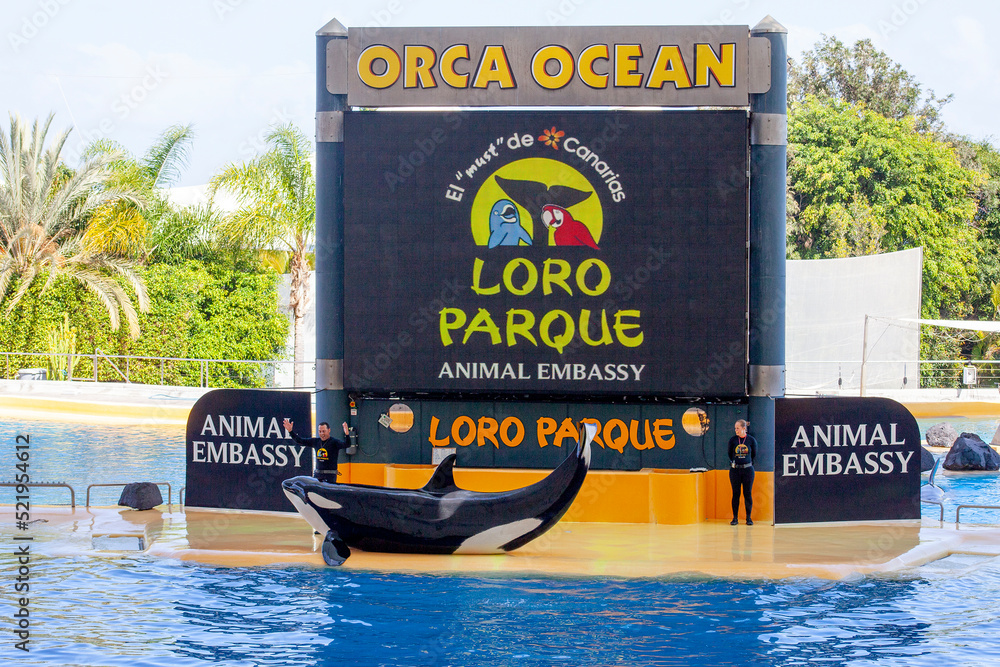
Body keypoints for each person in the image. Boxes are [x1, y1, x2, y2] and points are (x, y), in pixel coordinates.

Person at [283, 419, 352, 483]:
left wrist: (347, 434)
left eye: (324, 431)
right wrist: (290, 431)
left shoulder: (334, 442)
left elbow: (347, 444)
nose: (322, 433)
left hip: (330, 475)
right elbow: (300, 441)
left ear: (329, 430)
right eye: (320, 431)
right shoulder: (316, 441)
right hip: (318, 475)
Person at [728, 419, 756, 526]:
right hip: (735, 470)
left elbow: (754, 454)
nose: (736, 430)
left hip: (748, 470)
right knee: (736, 493)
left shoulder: (751, 440)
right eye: (735, 428)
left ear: (744, 428)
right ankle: (735, 518)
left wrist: (746, 462)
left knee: (747, 493)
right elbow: (730, 453)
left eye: (738, 428)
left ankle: (748, 518)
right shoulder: (733, 440)